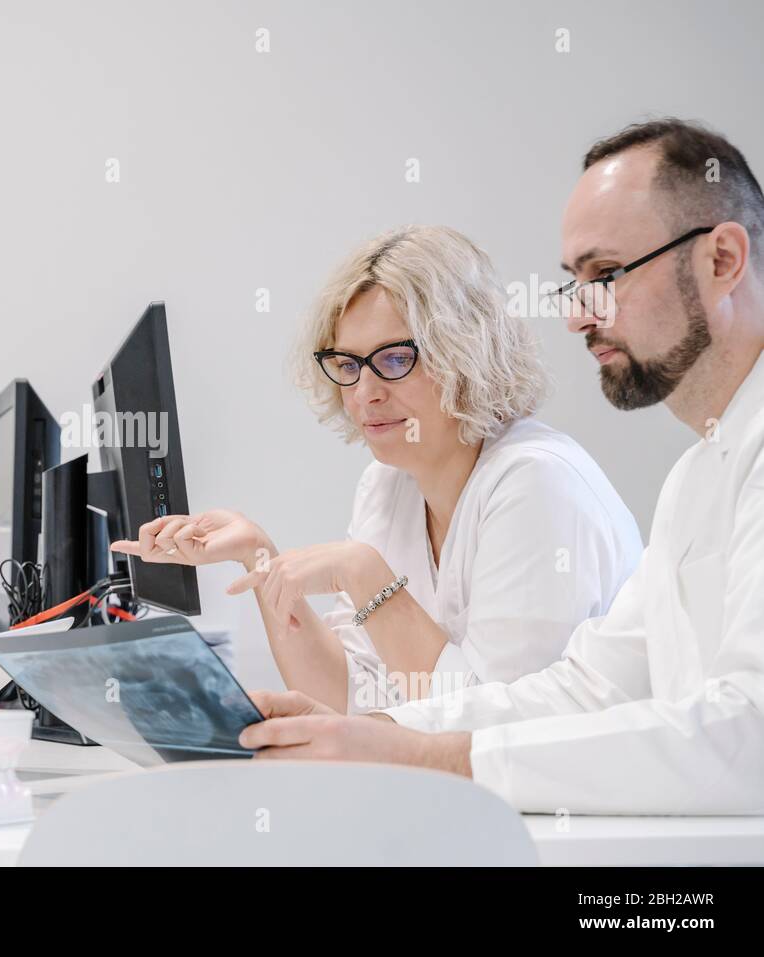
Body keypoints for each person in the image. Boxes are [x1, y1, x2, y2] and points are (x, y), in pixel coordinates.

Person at [239, 118, 764, 816]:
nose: (579, 315)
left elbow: (747, 733)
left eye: (606, 275)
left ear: (723, 260)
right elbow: (587, 689)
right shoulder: (697, 476)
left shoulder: (549, 477)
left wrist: (425, 753)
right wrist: (363, 735)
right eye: (573, 282)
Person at [113, 225, 642, 714]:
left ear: (466, 355)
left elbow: (487, 726)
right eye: (347, 365)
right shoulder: (389, 486)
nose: (365, 393)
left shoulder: (535, 483)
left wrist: (365, 575)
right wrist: (260, 561)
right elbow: (347, 695)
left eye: (394, 360)